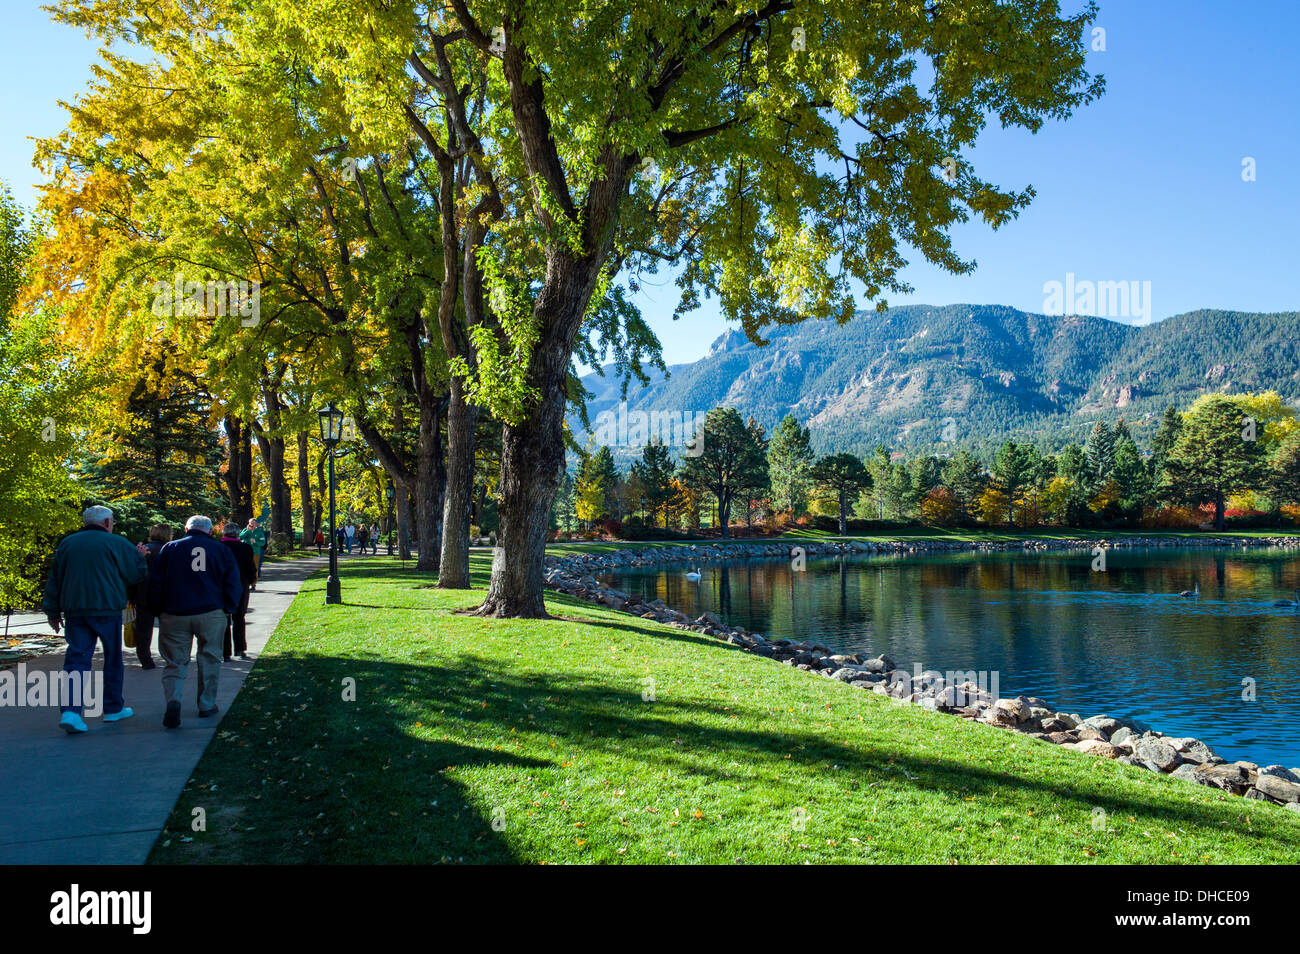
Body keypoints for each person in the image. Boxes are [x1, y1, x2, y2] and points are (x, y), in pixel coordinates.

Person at [41, 506, 149, 734]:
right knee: (112, 659)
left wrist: (52, 612)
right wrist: (140, 558)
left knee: (76, 660)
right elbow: (135, 575)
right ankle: (112, 708)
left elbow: (55, 580)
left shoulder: (67, 544)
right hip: (107, 608)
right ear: (107, 522)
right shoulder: (117, 543)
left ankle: (71, 711)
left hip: (75, 610)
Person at [149, 515, 241, 728]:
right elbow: (232, 581)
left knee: (174, 661)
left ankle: (173, 700)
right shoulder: (220, 550)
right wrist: (229, 607)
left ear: (186, 528)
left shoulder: (170, 548)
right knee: (209, 658)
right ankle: (206, 704)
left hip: (175, 612)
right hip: (210, 611)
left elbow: (156, 582)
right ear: (210, 531)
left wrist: (158, 610)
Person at [131, 524, 173, 670]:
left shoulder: (143, 550)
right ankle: (170, 657)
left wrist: (131, 596)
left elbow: (133, 574)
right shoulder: (170, 550)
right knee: (168, 629)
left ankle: (145, 659)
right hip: (165, 595)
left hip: (143, 594)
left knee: (143, 629)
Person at [219, 522, 257, 661]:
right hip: (241, 585)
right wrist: (252, 580)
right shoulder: (245, 548)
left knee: (224, 619)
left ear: (224, 533)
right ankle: (240, 649)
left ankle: (225, 651)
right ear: (237, 533)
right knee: (239, 618)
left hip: (221, 586)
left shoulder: (218, 547)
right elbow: (250, 567)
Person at [238, 518, 267, 586]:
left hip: (255, 553)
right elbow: (240, 538)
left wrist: (255, 542)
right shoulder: (245, 530)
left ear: (256, 524)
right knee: (245, 568)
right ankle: (246, 583)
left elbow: (263, 543)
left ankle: (253, 584)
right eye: (250, 523)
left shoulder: (259, 532)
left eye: (253, 523)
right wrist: (247, 531)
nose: (252, 525)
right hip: (245, 553)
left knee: (254, 568)